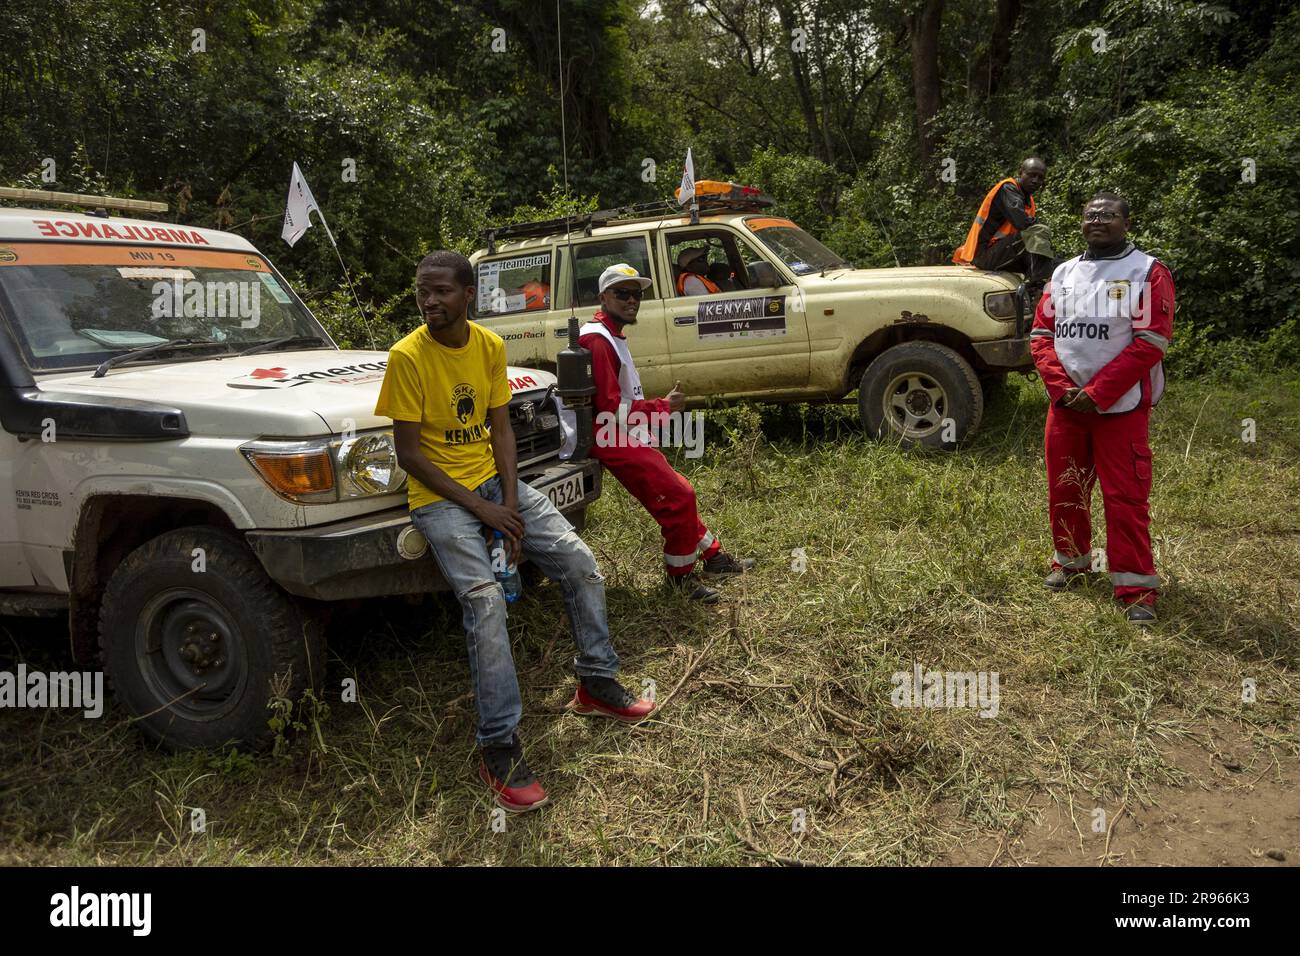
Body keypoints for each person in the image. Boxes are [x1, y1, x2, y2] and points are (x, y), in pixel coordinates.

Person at [375, 250, 653, 813]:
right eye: (422, 291)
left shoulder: (489, 346)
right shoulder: (406, 357)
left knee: (579, 563)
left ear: (467, 294)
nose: (429, 301)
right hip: (439, 500)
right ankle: (497, 746)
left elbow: (500, 430)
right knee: (485, 604)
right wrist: (486, 516)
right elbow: (410, 456)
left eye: (441, 291)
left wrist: (508, 502)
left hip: (493, 487)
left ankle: (596, 684)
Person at [1029, 192, 1174, 625]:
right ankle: (1071, 564)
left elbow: (1151, 342)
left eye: (1108, 215)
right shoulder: (1063, 273)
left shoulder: (1148, 272)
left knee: (1124, 496)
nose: (1098, 221)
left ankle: (1135, 589)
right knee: (1066, 487)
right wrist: (1063, 388)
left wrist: (1098, 392)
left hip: (1121, 408)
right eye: (1091, 215)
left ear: (1126, 223)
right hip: (1067, 407)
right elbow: (1040, 334)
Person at [574, 263, 754, 602]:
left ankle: (713, 556)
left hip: (622, 432)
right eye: (622, 293)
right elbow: (610, 409)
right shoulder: (597, 341)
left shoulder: (611, 335)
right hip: (610, 435)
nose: (632, 300)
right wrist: (662, 407)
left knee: (676, 494)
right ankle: (680, 581)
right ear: (603, 297)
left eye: (637, 294)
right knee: (680, 496)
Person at [953, 157, 1055, 288]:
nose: (1035, 180)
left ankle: (1037, 286)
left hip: (1002, 252)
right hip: (985, 254)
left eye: (1040, 178)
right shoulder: (1008, 189)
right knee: (1039, 232)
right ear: (1020, 172)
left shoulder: (1028, 201)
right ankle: (1039, 289)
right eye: (1031, 175)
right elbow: (1022, 222)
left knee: (1057, 263)